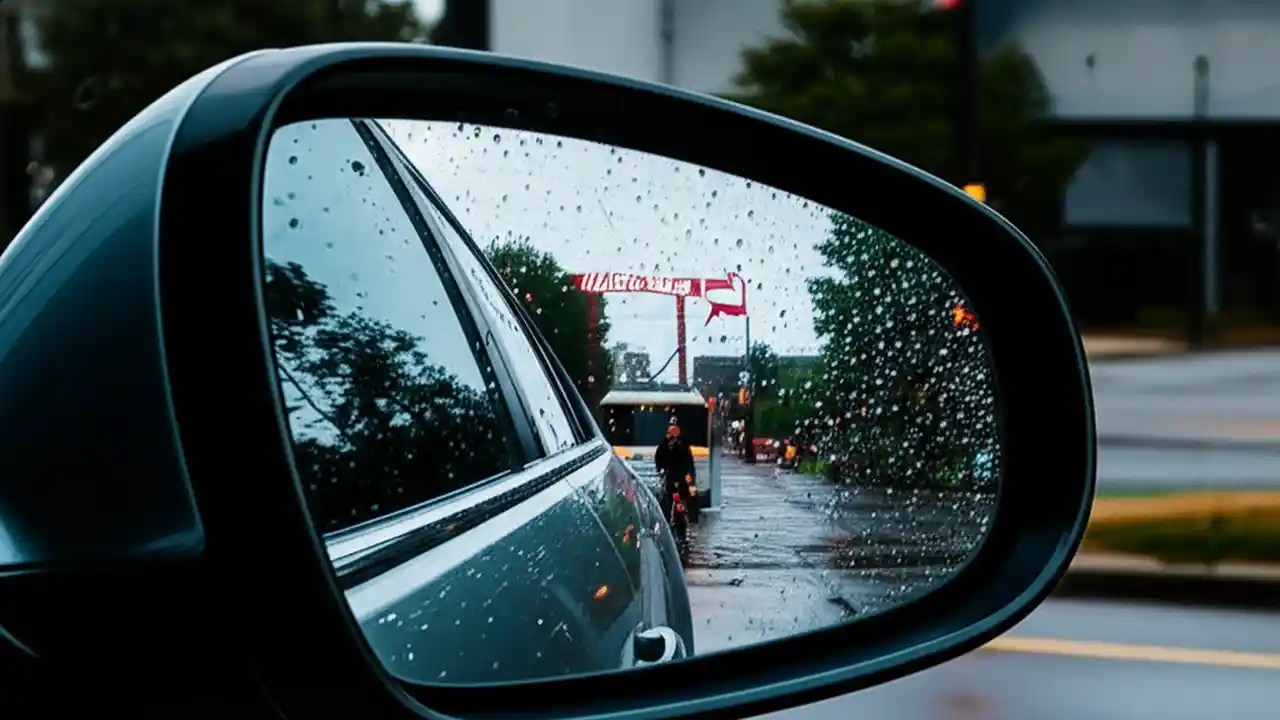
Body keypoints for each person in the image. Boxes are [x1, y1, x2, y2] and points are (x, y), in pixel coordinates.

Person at [654, 419, 698, 526]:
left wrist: (690, 475)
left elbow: (689, 460)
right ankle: (666, 519)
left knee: (691, 497)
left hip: (682, 476)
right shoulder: (664, 443)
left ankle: (692, 518)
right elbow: (658, 458)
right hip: (670, 475)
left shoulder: (683, 443)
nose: (674, 433)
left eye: (675, 430)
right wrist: (661, 470)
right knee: (666, 499)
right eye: (671, 430)